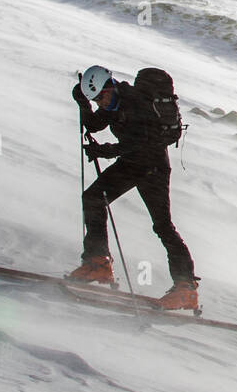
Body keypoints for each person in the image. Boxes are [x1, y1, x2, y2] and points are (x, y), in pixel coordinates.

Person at [70, 65, 199, 310]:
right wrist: (82, 103)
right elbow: (95, 124)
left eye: (100, 97)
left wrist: (104, 151)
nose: (100, 103)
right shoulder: (114, 102)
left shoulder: (134, 102)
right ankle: (98, 263)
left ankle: (186, 289)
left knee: (162, 225)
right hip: (133, 164)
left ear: (110, 86)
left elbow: (138, 143)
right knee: (93, 199)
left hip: (153, 167)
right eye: (95, 100)